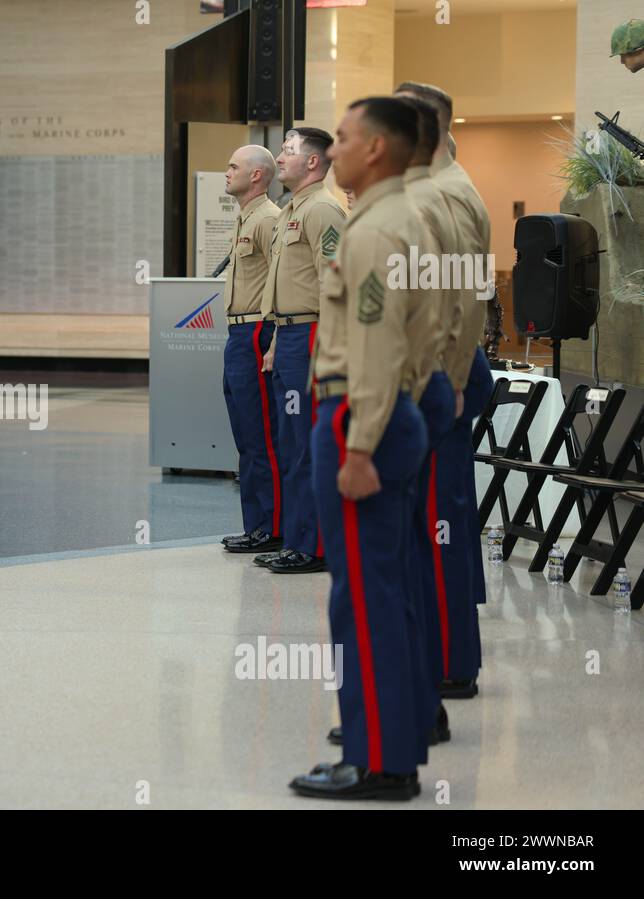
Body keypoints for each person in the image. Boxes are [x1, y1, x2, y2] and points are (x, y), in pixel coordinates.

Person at [289, 96, 436, 801]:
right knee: (388, 587)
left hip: (358, 415)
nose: (333, 149)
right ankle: (395, 742)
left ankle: (378, 762)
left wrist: (359, 446)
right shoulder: (399, 220)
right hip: (383, 410)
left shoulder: (376, 231)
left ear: (376, 148)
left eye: (343, 138)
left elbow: (377, 347)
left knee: (364, 598)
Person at [398, 79, 492, 700]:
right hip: (432, 373)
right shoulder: (429, 188)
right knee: (430, 527)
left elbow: (465, 296)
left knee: (439, 527)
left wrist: (450, 384)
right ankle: (435, 657)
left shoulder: (446, 195)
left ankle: (450, 664)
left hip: (443, 378)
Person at [255, 128, 345, 575]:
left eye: (288, 152)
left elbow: (333, 286)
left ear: (312, 162)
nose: (279, 157)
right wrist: (274, 341)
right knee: (291, 446)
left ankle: (315, 546)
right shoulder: (293, 209)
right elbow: (285, 286)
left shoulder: (323, 210)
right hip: (288, 336)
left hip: (313, 337)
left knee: (309, 446)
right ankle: (296, 537)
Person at [219, 145, 283, 555]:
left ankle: (272, 526)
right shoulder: (246, 217)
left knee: (262, 438)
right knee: (245, 436)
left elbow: (280, 283)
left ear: (257, 175)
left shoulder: (268, 220)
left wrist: (272, 339)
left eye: (233, 167)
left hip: (257, 331)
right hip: (238, 334)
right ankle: (255, 524)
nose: (226, 173)